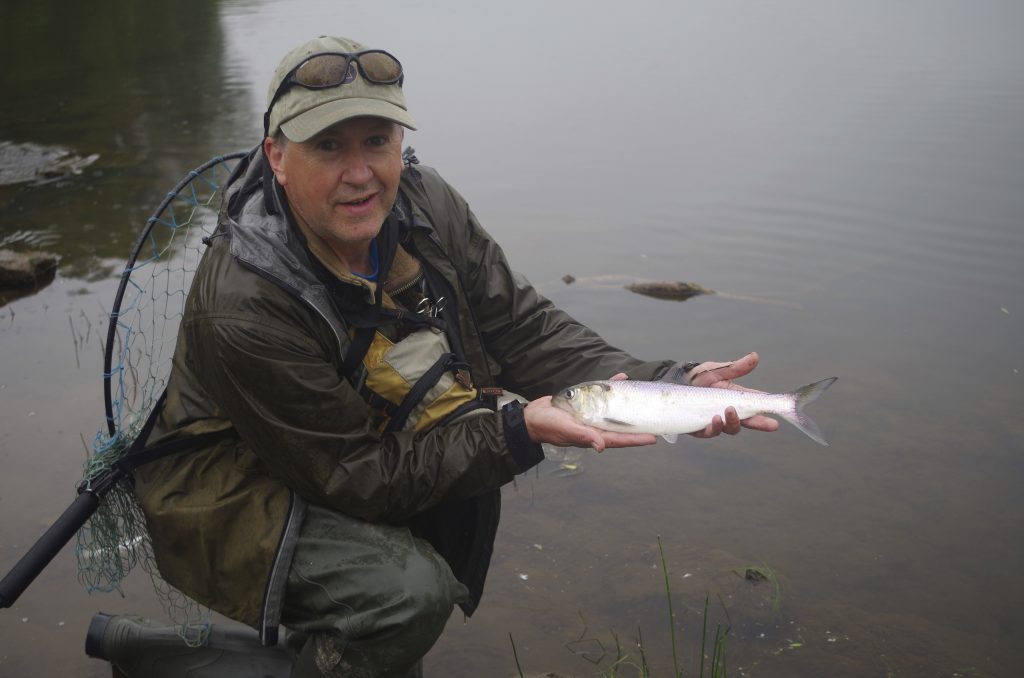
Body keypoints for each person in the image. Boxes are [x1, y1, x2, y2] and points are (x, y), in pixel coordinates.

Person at [133, 34, 778, 678]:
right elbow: (354, 477)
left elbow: (523, 329)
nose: (359, 173)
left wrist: (672, 383)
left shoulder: (426, 205)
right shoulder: (245, 302)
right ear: (277, 157)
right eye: (328, 146)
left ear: (400, 142)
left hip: (336, 443)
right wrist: (516, 432)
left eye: (376, 141)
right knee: (406, 596)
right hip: (232, 489)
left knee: (399, 601)